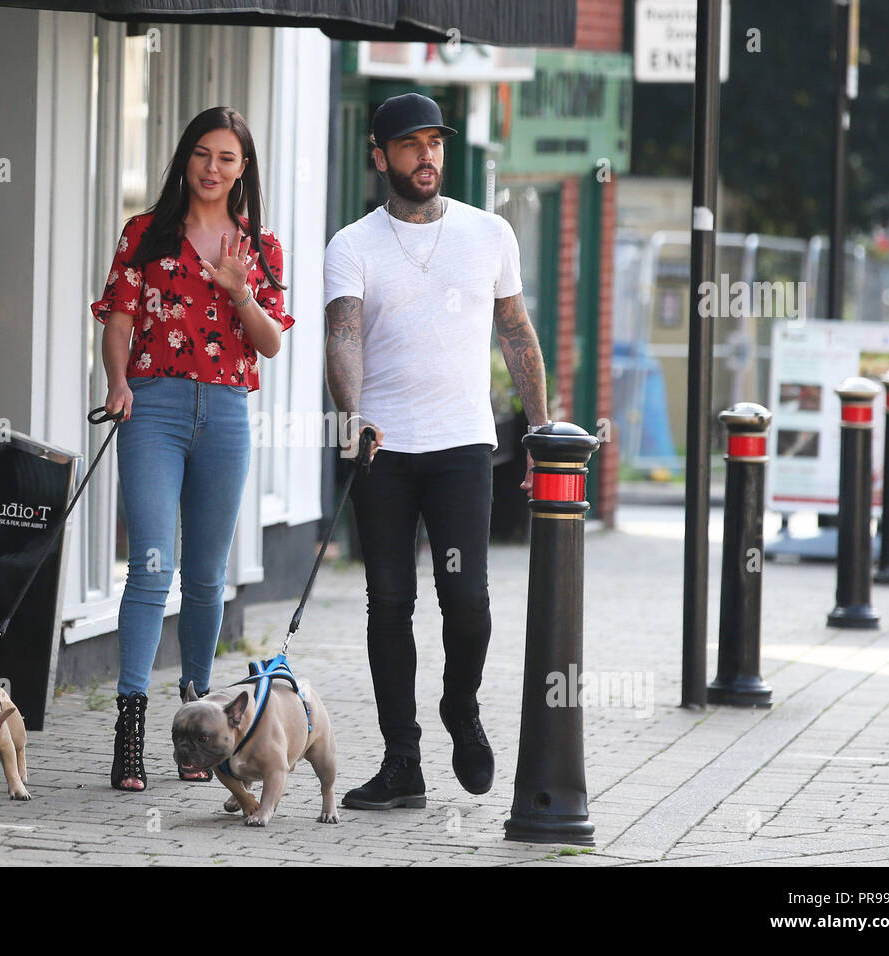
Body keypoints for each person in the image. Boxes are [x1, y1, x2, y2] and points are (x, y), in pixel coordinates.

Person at [322, 92, 550, 810]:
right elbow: (343, 337)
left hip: (462, 446)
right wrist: (353, 417)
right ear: (379, 156)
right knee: (389, 602)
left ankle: (461, 704)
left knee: (467, 599)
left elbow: (516, 332)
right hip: (382, 449)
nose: (427, 156)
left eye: (435, 143)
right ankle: (402, 763)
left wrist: (540, 431)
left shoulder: (489, 233)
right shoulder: (352, 244)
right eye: (410, 144)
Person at [91, 107, 294, 792]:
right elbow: (118, 321)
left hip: (226, 413)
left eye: (226, 158)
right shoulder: (145, 233)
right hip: (153, 407)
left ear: (243, 169)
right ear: (186, 158)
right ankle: (129, 729)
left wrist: (240, 293)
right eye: (203, 154)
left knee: (207, 577)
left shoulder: (260, 247)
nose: (212, 168)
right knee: (153, 567)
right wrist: (118, 383)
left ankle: (200, 728)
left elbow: (269, 342)